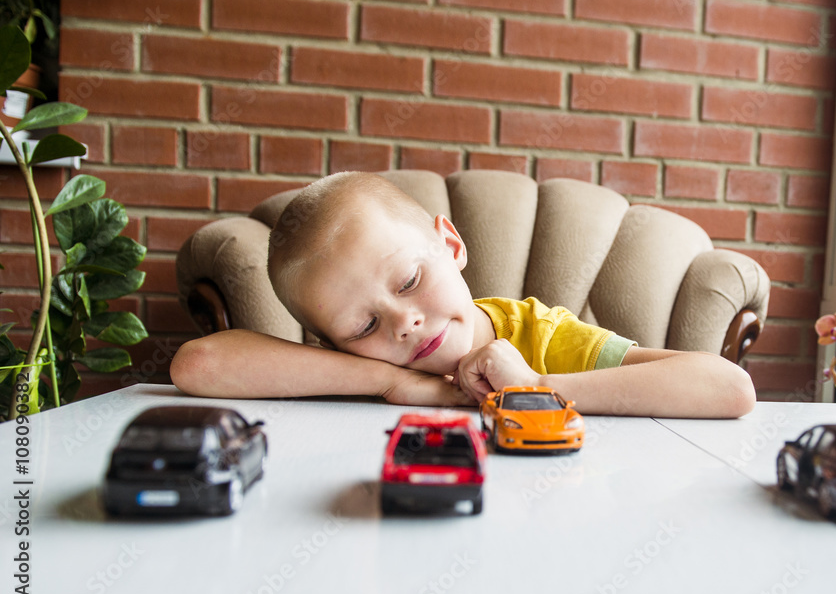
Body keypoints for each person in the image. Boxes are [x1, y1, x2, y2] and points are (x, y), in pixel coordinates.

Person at [170, 172, 755, 418]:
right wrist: (392, 382)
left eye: (408, 282)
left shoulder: (540, 336)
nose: (402, 324)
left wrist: (535, 388)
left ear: (450, 245)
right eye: (361, 327)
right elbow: (199, 363)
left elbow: (730, 388)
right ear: (331, 342)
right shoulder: (357, 370)